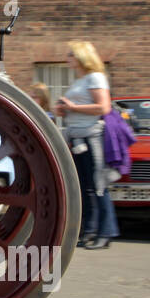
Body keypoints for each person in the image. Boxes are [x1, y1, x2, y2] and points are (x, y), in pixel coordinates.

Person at [53, 41, 120, 250]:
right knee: (85, 187)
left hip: (92, 137)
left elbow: (103, 107)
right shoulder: (80, 80)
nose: (68, 57)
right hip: (78, 137)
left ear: (82, 56)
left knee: (98, 185)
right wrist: (64, 111)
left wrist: (73, 107)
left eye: (71, 54)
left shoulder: (95, 77)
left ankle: (106, 232)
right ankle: (90, 230)